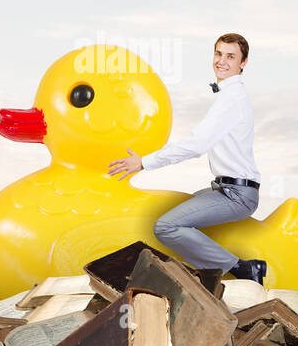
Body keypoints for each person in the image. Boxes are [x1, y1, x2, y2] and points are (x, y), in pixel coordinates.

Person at [107, 33, 268, 284]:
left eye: (231, 56)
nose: (221, 61)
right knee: (183, 206)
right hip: (225, 187)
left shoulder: (231, 98)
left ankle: (243, 268)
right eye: (218, 53)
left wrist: (144, 162)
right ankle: (202, 272)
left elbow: (196, 145)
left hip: (237, 195)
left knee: (166, 227)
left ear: (243, 63)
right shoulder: (227, 95)